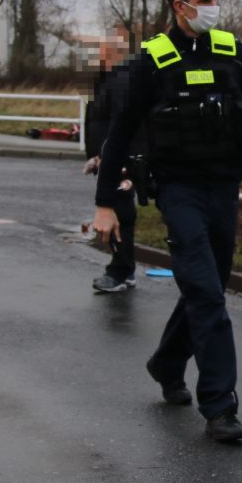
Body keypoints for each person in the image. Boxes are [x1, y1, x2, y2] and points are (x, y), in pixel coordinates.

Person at [91, 0, 242, 442]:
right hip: (178, 190)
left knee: (209, 285)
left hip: (223, 187)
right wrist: (105, 203)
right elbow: (120, 132)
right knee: (205, 293)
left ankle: (165, 363)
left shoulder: (230, 49)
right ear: (181, 6)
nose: (214, 7)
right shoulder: (153, 60)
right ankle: (220, 407)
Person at [83, 35, 144, 294]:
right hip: (109, 159)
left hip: (119, 161)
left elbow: (123, 125)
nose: (97, 56)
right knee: (118, 212)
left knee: (120, 214)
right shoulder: (107, 82)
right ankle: (123, 268)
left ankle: (121, 271)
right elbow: (99, 123)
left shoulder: (121, 82)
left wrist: (112, 159)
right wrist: (95, 156)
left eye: (103, 51)